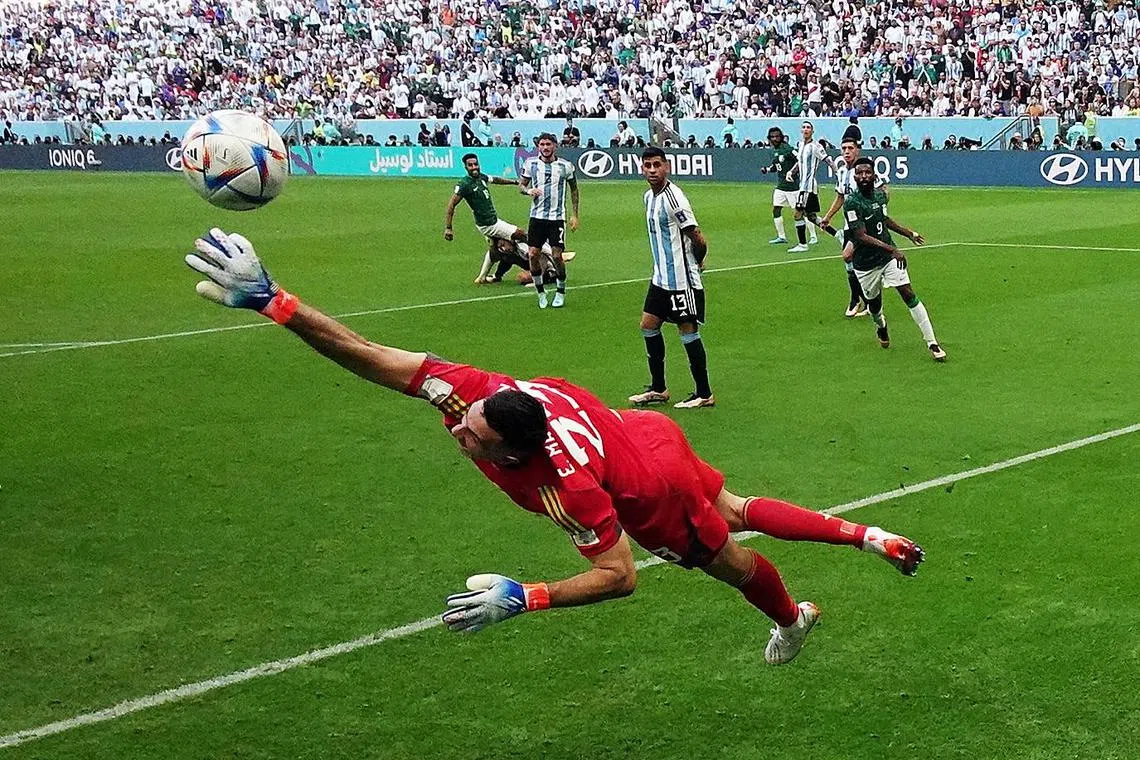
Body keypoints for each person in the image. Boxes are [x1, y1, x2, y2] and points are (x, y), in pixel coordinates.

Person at [183, 228, 926, 664]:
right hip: (641, 429)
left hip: (644, 481)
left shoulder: (564, 488)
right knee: (733, 505)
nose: (461, 433)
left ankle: (792, 618)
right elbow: (371, 354)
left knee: (727, 554)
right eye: (466, 423)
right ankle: (866, 537)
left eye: (475, 437)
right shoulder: (474, 391)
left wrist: (526, 597)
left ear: (513, 452)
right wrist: (275, 303)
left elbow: (619, 574)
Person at [628, 147, 714, 410]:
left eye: (657, 165)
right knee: (648, 325)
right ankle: (658, 388)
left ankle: (704, 393)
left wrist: (696, 264)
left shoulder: (674, 198)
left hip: (681, 279)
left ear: (667, 166)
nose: (652, 170)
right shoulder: (648, 197)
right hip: (660, 277)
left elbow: (697, 236)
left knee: (687, 332)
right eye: (647, 165)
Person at [844, 158, 946, 362]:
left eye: (867, 172)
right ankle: (881, 326)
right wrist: (893, 249)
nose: (863, 176)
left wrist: (908, 233)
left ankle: (932, 343)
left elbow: (884, 220)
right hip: (865, 264)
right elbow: (861, 235)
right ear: (855, 177)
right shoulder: (851, 203)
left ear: (874, 175)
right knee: (874, 306)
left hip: (888, 257)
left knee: (908, 293)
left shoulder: (880, 196)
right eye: (859, 173)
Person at [819, 128, 891, 319]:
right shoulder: (843, 172)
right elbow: (840, 196)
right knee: (851, 264)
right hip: (849, 225)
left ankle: (859, 299)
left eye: (850, 148)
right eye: (844, 148)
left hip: (866, 226)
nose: (847, 151)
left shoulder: (864, 171)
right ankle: (865, 299)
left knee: (849, 257)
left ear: (858, 149)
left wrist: (875, 210)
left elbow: (884, 191)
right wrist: (828, 216)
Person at [444, 154, 528, 283]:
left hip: (491, 221)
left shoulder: (481, 177)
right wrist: (448, 228)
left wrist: (514, 182)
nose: (474, 167)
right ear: (465, 167)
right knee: (521, 234)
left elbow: (496, 179)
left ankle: (482, 277)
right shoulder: (464, 184)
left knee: (496, 250)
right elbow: (451, 205)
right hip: (489, 224)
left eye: (475, 164)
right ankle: (548, 253)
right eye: (470, 165)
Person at [519, 133, 580, 309]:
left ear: (555, 146)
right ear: (539, 146)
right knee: (532, 254)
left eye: (548, 144)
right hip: (536, 217)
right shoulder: (531, 164)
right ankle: (540, 292)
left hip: (556, 218)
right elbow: (521, 185)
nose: (545, 147)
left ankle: (560, 291)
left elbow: (574, 190)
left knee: (556, 256)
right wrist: (528, 191)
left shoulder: (565, 166)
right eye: (542, 144)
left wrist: (575, 215)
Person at [786, 121, 841, 253]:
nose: (806, 129)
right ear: (801, 130)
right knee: (811, 217)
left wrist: (838, 173)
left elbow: (828, 160)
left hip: (808, 186)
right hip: (803, 186)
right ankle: (838, 234)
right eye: (804, 127)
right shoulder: (800, 145)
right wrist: (791, 172)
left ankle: (802, 244)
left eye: (808, 127)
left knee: (797, 214)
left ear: (812, 131)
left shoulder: (816, 146)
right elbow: (800, 163)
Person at [759, 126, 797, 245]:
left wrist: (793, 172)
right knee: (776, 209)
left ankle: (812, 236)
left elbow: (800, 159)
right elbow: (776, 166)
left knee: (800, 213)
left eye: (777, 136)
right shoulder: (775, 151)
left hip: (792, 187)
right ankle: (781, 236)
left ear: (781, 137)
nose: (775, 139)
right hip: (781, 186)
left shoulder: (787, 149)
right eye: (772, 137)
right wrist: (767, 169)